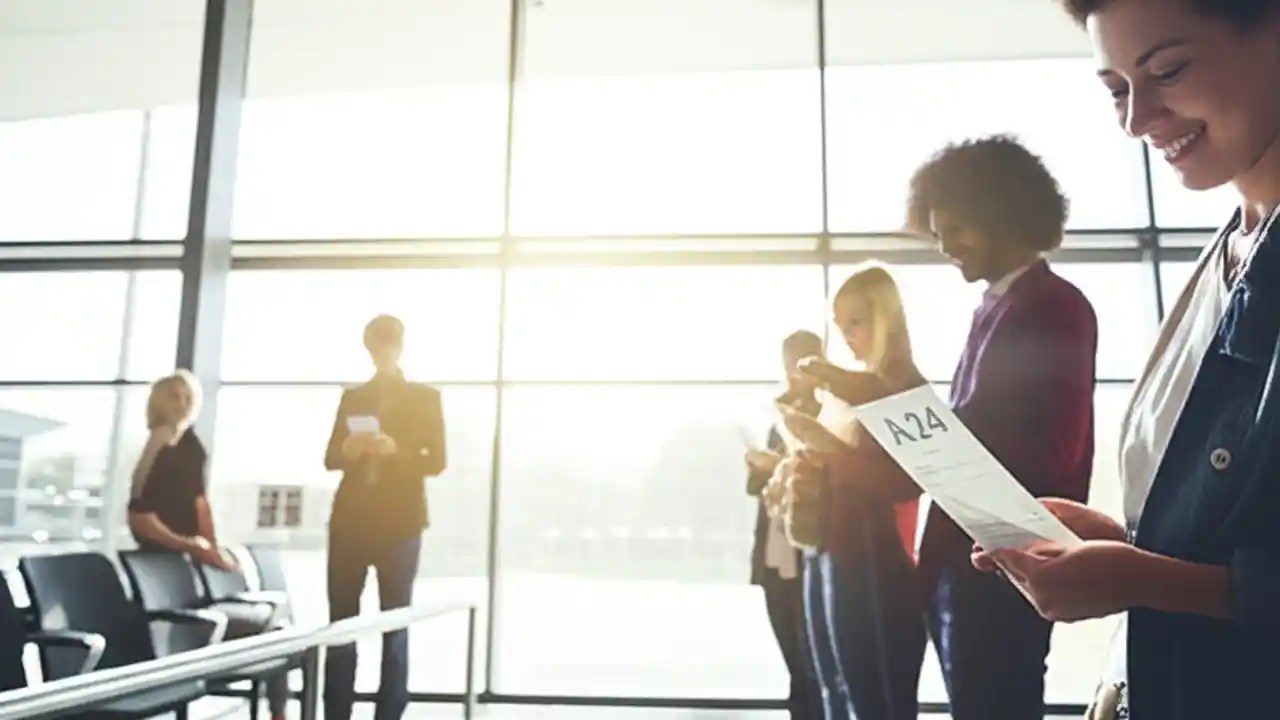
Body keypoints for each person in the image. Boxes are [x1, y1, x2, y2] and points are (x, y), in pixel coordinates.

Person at [966, 2, 1280, 718]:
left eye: (1168, 70)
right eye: (1115, 89)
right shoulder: (1232, 246)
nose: (1138, 120)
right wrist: (1132, 543)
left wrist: (1144, 580)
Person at [797, 137, 1098, 719]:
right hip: (965, 562)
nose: (944, 247)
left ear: (1001, 216)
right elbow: (969, 430)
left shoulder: (1056, 306)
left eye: (956, 229)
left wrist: (908, 411)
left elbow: (1042, 449)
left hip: (1004, 564)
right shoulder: (997, 307)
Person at [774, 264, 925, 720]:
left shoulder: (900, 387)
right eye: (841, 326)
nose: (847, 336)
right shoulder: (846, 390)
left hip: (872, 559)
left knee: (870, 700)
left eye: (856, 322)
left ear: (885, 316)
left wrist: (828, 455)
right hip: (829, 550)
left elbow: (906, 480)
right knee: (835, 693)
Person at [323, 314, 447, 720]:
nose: (383, 352)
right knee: (341, 623)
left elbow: (438, 461)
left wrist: (397, 451)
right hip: (351, 520)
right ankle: (336, 711)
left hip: (400, 521)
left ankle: (389, 714)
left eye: (388, 344)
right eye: (376, 345)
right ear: (369, 349)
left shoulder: (425, 398)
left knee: (396, 623)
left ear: (400, 346)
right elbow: (329, 458)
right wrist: (350, 452)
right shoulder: (352, 398)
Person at [744, 330, 824, 720]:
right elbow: (757, 488)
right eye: (792, 362)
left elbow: (825, 478)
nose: (797, 371)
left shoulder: (830, 412)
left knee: (816, 666)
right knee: (797, 667)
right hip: (777, 555)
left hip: (809, 552)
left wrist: (778, 466)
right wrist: (761, 465)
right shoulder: (780, 415)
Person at [128, 369, 234, 571]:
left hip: (188, 552)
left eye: (188, 397)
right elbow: (140, 517)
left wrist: (212, 550)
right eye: (175, 397)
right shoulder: (158, 444)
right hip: (164, 553)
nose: (183, 404)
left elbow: (199, 501)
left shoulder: (191, 445)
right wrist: (188, 545)